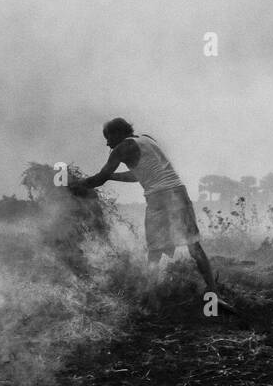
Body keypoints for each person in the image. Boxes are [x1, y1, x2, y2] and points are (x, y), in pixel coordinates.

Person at [71, 117, 220, 295]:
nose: (107, 144)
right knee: (194, 245)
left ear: (118, 133)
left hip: (159, 198)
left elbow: (99, 179)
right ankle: (214, 292)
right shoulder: (147, 139)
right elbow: (137, 176)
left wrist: (75, 185)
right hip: (179, 192)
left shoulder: (122, 148)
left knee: (154, 251)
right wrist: (113, 176)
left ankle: (150, 295)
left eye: (108, 138)